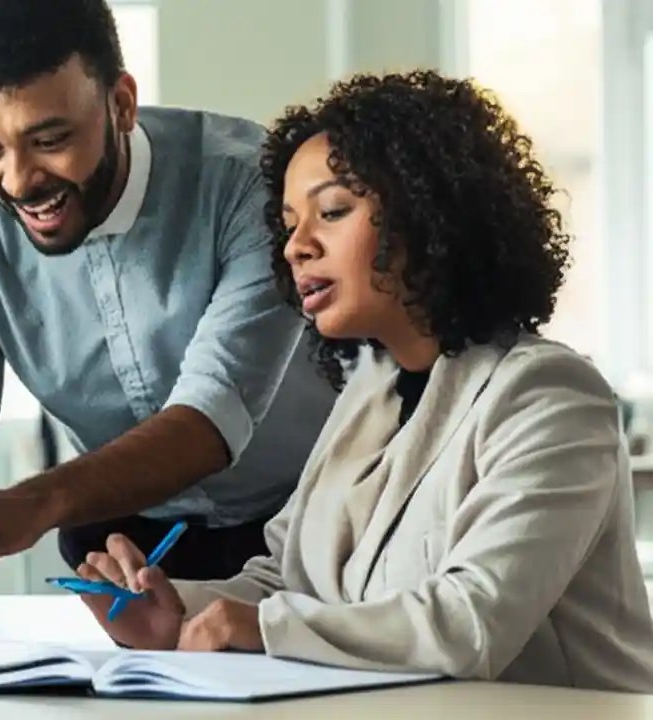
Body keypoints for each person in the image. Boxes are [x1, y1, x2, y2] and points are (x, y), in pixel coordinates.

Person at [74, 70, 653, 692]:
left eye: (332, 211)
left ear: (426, 216)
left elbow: (470, 621)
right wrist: (175, 608)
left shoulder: (550, 397)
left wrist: (262, 628)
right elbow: (285, 581)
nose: (296, 246)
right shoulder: (370, 388)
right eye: (290, 221)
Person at [0, 0, 334, 586]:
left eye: (49, 140)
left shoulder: (248, 182)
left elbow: (210, 417)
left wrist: (35, 503)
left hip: (312, 517)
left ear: (122, 104)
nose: (18, 179)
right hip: (127, 538)